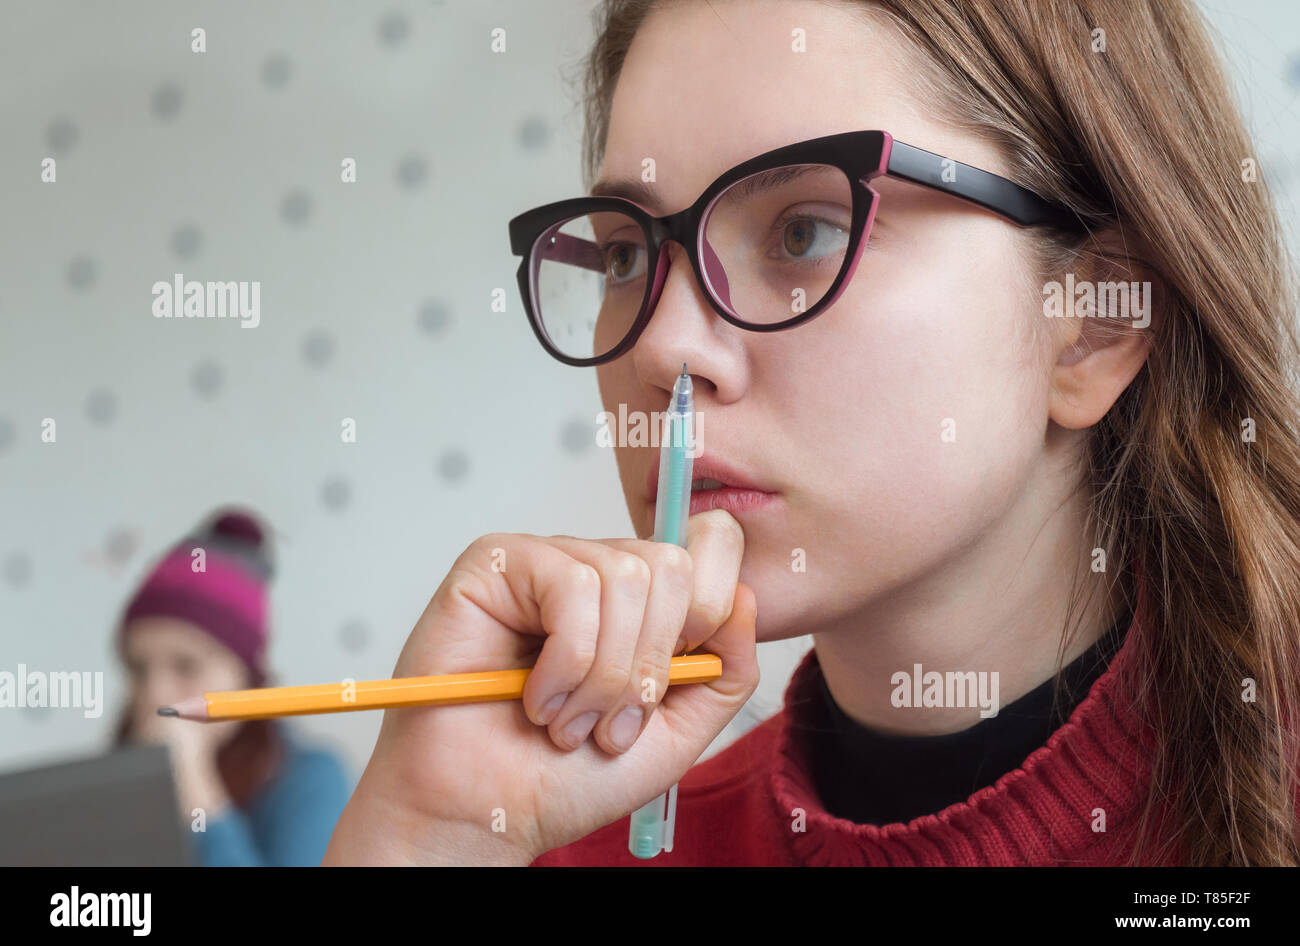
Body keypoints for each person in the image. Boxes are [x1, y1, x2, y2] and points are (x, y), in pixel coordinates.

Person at [324, 0, 1300, 866]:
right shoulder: (551, 843)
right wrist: (424, 837)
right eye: (626, 253)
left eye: (803, 231)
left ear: (1095, 320)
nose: (662, 346)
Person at [116, 508, 352, 866]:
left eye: (186, 665)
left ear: (246, 677)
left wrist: (193, 784)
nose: (155, 694)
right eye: (138, 668)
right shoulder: (116, 780)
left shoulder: (310, 779)